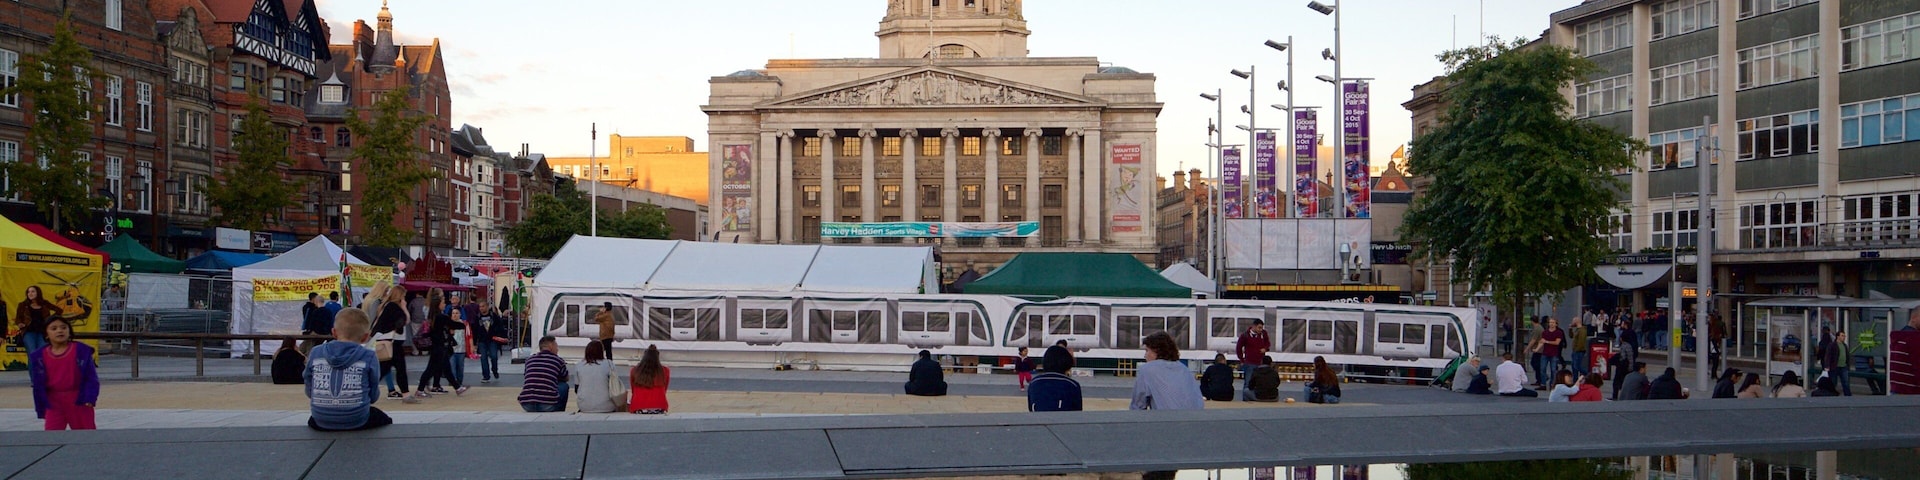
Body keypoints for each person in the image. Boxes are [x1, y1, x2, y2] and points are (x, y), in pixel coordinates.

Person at [304, 308, 391, 432]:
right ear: (365, 337)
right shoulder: (368, 356)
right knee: (383, 418)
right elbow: (373, 396)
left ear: (334, 332)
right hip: (357, 419)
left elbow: (309, 388)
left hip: (321, 419)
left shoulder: (316, 352)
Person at [29, 317, 98, 430]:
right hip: (53, 402)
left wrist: (90, 397)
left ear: (69, 331)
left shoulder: (81, 351)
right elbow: (38, 384)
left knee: (85, 437)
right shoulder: (39, 356)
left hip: (79, 400)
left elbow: (91, 378)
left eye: (63, 328)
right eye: (54, 328)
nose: (59, 331)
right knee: (52, 436)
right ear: (46, 334)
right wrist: (40, 405)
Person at [1130, 332, 1203, 410]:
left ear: (1156, 351)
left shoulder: (1147, 370)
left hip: (1166, 420)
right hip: (1195, 418)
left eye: (1147, 350)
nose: (1145, 355)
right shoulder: (1184, 369)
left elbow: (1138, 406)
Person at [415, 292, 467, 396]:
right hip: (439, 347)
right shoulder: (441, 317)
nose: (444, 304)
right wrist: (463, 324)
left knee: (446, 368)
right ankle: (420, 389)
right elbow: (453, 324)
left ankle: (458, 387)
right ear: (438, 304)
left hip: (437, 346)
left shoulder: (433, 317)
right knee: (430, 370)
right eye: (443, 302)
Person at [371, 286, 418, 402]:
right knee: (397, 368)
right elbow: (404, 321)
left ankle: (405, 394)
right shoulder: (394, 307)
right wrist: (404, 307)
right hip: (392, 342)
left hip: (386, 340)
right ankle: (406, 395)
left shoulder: (386, 306)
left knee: (386, 368)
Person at [519, 336, 570, 412]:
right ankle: (559, 412)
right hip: (547, 404)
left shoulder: (529, 360)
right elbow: (566, 378)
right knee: (563, 386)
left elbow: (527, 375)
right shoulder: (558, 360)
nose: (557, 349)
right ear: (551, 346)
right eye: (556, 346)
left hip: (526, 403)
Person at [1027, 345, 1082, 412]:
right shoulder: (1072, 385)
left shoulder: (1034, 383)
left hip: (1038, 420)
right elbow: (1078, 413)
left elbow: (1031, 409)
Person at [574, 342, 620, 413]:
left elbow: (576, 388)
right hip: (607, 406)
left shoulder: (579, 365)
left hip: (584, 406)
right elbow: (616, 387)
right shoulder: (609, 364)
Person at [16, 286, 61, 354]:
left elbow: (59, 310)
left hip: (42, 332)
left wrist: (50, 319)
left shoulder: (44, 303)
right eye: (28, 292)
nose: (30, 293)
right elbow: (18, 318)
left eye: (33, 291)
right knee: (33, 352)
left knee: (42, 353)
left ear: (38, 293)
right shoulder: (23, 305)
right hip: (29, 332)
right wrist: (20, 323)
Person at [628, 345, 671, 414]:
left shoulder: (634, 370)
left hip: (638, 407)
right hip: (659, 406)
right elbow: (664, 389)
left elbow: (633, 390)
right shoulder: (665, 371)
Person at [474, 302, 509, 384]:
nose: (481, 308)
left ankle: (494, 369)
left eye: (483, 306)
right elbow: (475, 330)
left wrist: (504, 337)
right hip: (482, 340)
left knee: (494, 356)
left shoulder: (494, 316)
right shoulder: (477, 317)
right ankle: (486, 376)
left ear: (487, 307)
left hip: (493, 339)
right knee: (483, 358)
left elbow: (500, 326)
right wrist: (474, 343)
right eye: (480, 307)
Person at [1235, 320, 1271, 392]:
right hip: (1249, 362)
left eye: (1261, 328)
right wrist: (1242, 360)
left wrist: (1265, 348)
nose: (1260, 330)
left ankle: (1258, 397)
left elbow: (1268, 343)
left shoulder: (1264, 334)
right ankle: (1246, 398)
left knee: (1260, 382)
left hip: (1261, 362)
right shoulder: (1245, 335)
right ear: (1254, 326)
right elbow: (1238, 348)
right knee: (1248, 382)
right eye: (1259, 328)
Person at [1537, 318, 1565, 390]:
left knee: (1553, 370)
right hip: (1545, 353)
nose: (1551, 324)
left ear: (1556, 324)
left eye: (1553, 322)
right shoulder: (1545, 332)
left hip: (1554, 353)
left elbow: (1557, 342)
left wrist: (1547, 341)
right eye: (1550, 322)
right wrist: (1537, 349)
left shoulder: (1559, 332)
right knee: (1542, 369)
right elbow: (1542, 342)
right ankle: (1543, 384)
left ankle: (1552, 383)